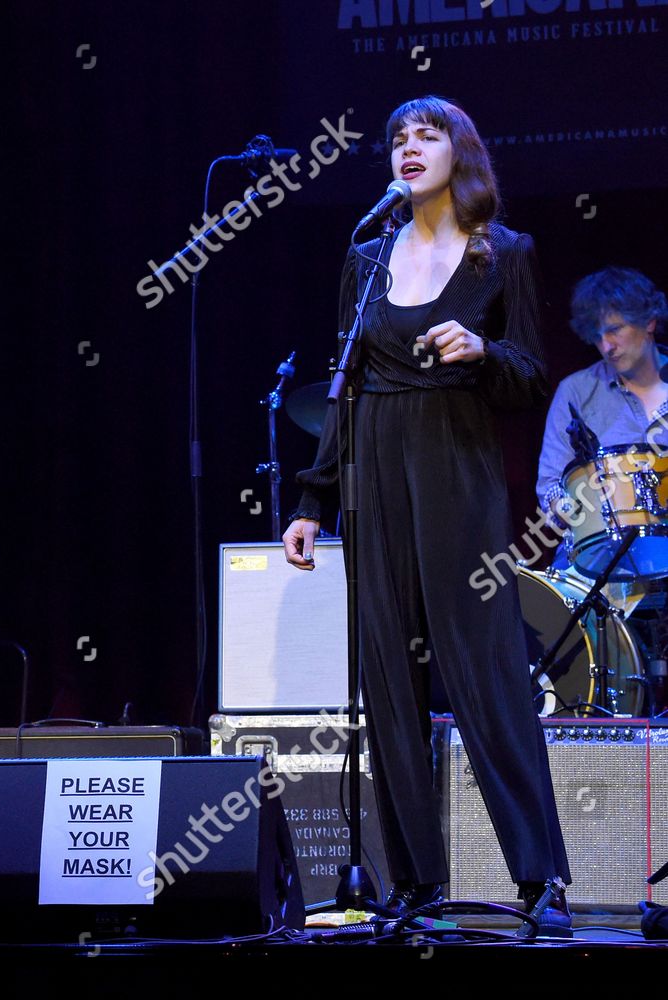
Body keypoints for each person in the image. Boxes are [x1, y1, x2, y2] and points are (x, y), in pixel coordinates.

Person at [280, 96, 573, 933]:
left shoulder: (502, 253)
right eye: (398, 140)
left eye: (427, 136)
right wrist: (312, 500)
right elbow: (346, 385)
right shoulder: (366, 257)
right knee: (388, 684)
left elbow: (529, 377)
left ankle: (539, 874)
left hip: (455, 468)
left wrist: (483, 351)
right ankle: (413, 881)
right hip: (372, 465)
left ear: (461, 152)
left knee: (485, 673)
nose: (409, 149)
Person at [536, 267, 668, 559]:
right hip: (604, 560)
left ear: (648, 321)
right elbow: (550, 489)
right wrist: (571, 508)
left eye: (615, 329)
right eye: (597, 337)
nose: (606, 346)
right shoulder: (576, 392)